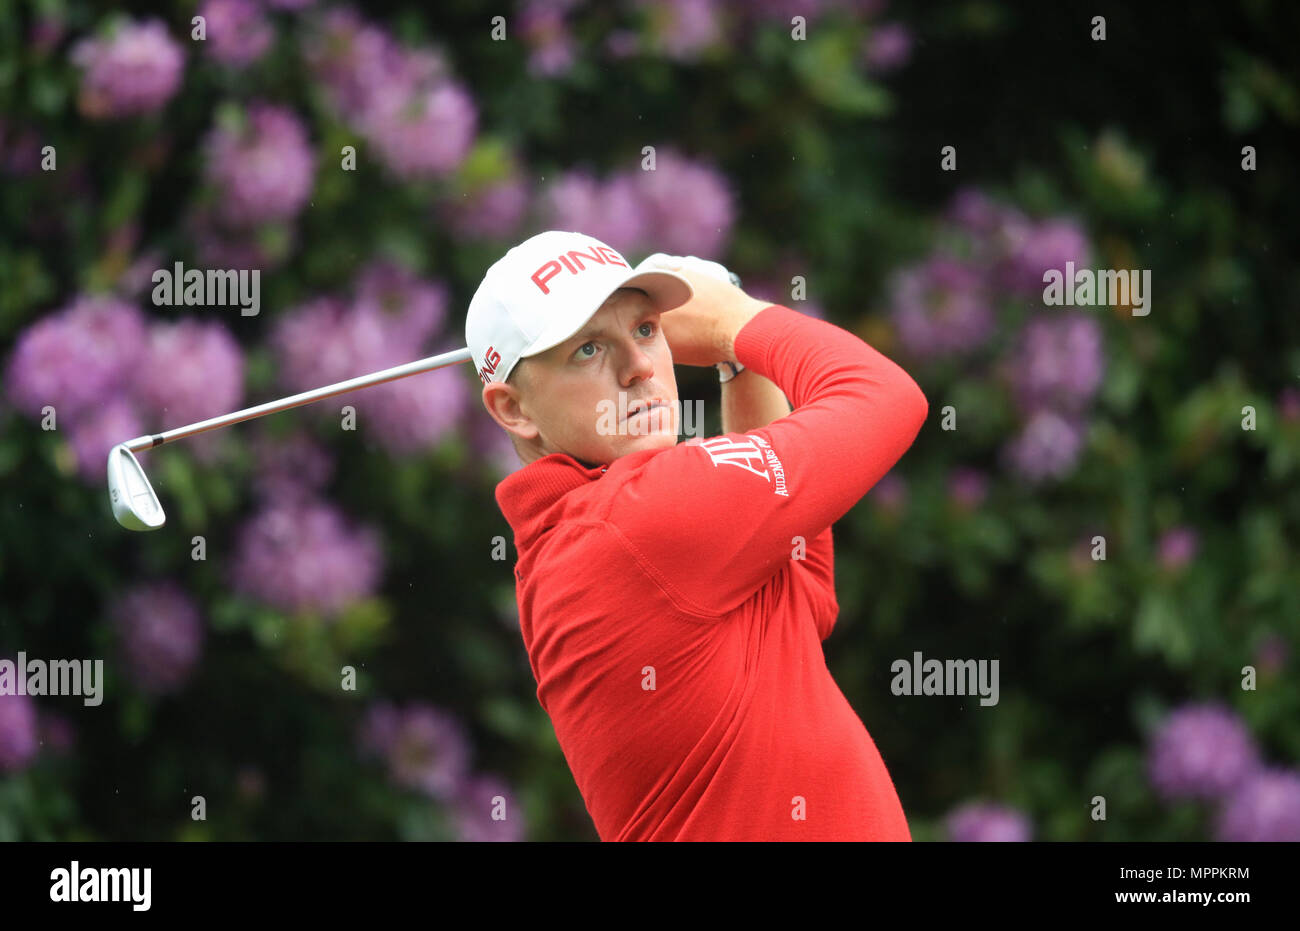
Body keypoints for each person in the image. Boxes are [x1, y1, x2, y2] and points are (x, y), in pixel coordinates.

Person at [466, 229, 928, 840]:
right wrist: (734, 321)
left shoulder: (599, 533)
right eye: (587, 350)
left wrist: (735, 362)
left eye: (644, 329)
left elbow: (802, 593)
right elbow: (887, 396)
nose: (638, 368)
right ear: (513, 409)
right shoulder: (633, 521)